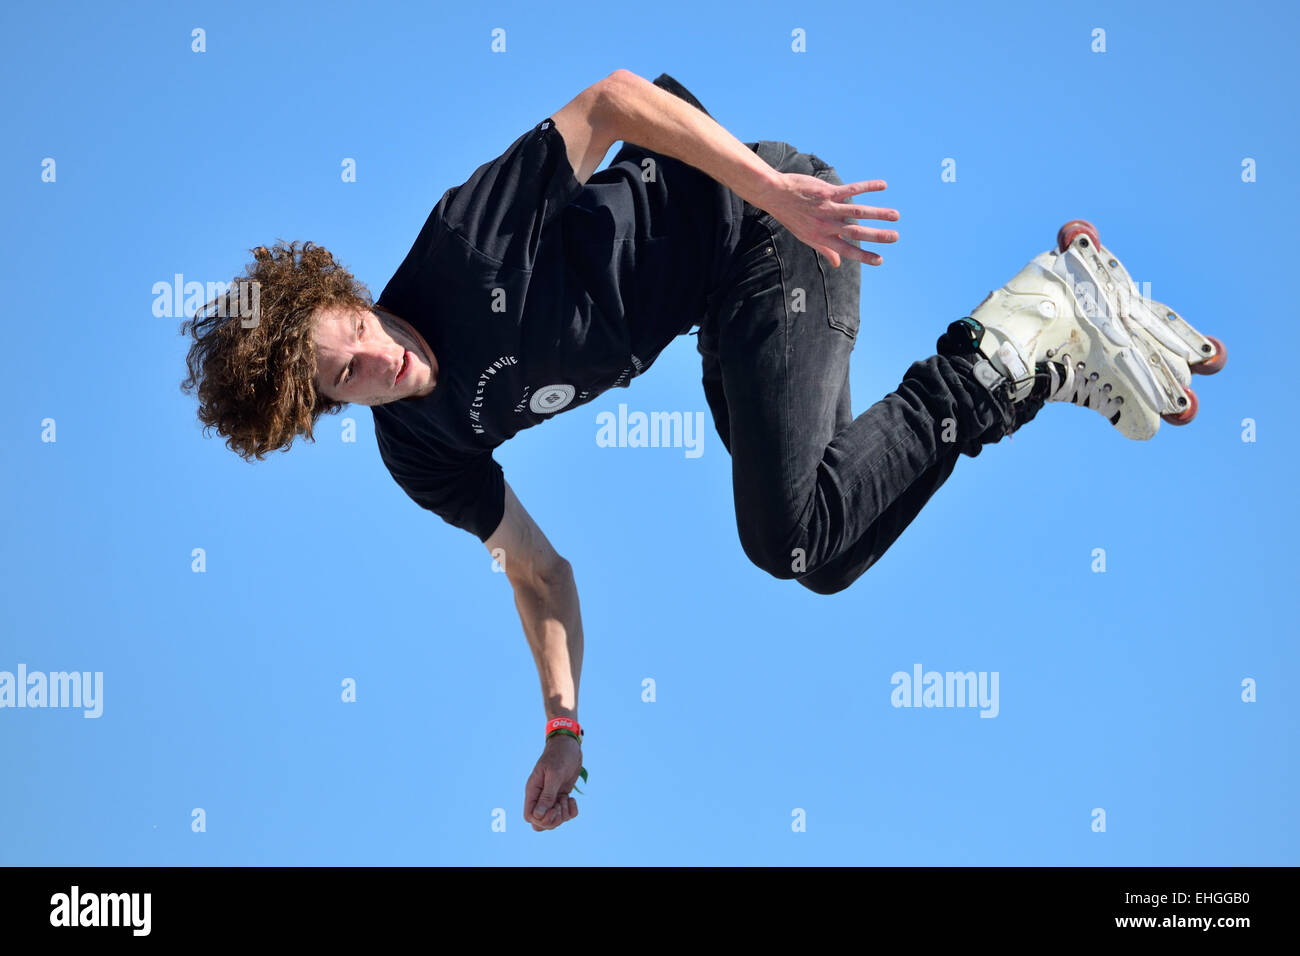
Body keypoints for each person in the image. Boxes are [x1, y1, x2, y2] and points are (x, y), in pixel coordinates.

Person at [180, 70, 1224, 833]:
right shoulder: (422, 448)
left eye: (357, 329)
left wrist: (770, 194)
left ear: (350, 295)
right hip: (721, 309)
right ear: (323, 409)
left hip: (768, 225)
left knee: (790, 533)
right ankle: (1043, 353)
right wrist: (562, 721)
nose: (380, 357)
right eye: (344, 375)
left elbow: (613, 101)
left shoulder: (461, 244)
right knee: (828, 550)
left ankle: (1022, 334)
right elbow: (539, 572)